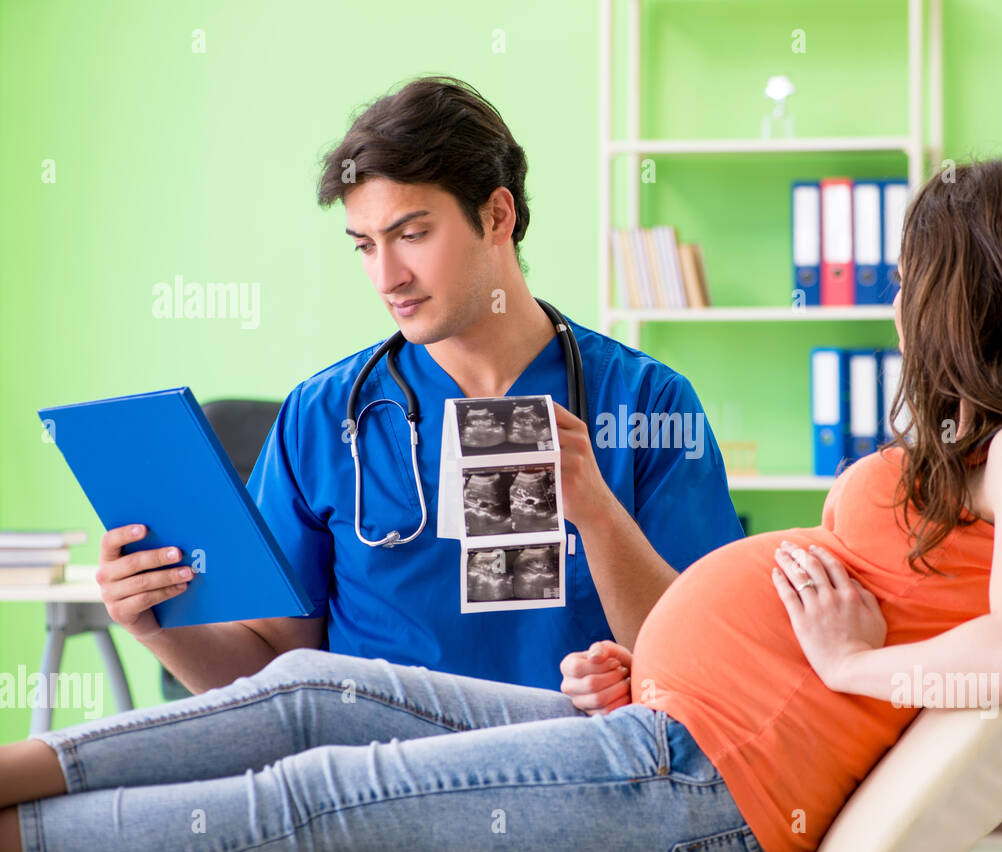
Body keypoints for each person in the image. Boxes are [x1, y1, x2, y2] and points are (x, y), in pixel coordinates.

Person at [0, 157, 1002, 852]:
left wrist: (845, 661)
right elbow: (264, 654)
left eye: (905, 277)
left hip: (697, 772)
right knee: (306, 691)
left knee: (319, 798)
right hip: (651, 723)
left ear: (963, 291)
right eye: (366, 244)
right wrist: (652, 668)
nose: (891, 300)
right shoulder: (978, 454)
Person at [91, 75, 743, 697]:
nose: (388, 276)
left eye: (411, 234)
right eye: (365, 246)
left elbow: (710, 665)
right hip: (376, 777)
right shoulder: (323, 418)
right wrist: (156, 627)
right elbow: (272, 682)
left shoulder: (646, 405)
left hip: (565, 772)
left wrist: (597, 513)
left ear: (496, 215)